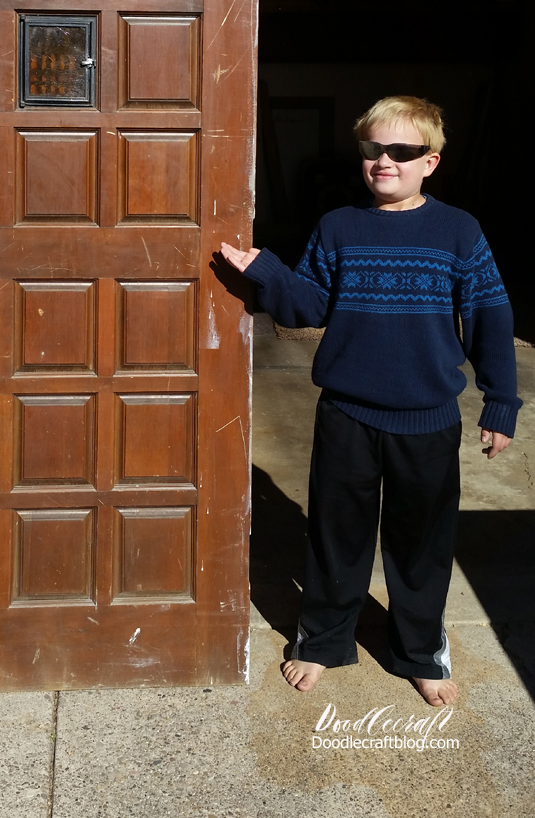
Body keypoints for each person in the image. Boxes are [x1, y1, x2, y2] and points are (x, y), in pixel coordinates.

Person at [221, 95, 520, 707]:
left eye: (401, 151)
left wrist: (501, 402)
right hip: (347, 417)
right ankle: (324, 638)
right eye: (372, 149)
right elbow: (308, 305)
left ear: (430, 162)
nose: (384, 160)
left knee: (422, 544)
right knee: (337, 536)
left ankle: (419, 650)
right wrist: (269, 273)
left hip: (428, 423)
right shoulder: (339, 226)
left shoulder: (459, 231)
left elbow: (491, 316)